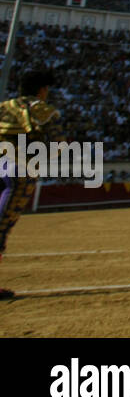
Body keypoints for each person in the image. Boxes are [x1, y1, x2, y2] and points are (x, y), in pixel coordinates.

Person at [0, 69, 61, 301]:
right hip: (18, 171)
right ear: (42, 90)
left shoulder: (4, 106)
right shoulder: (43, 110)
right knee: (2, 227)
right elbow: (58, 145)